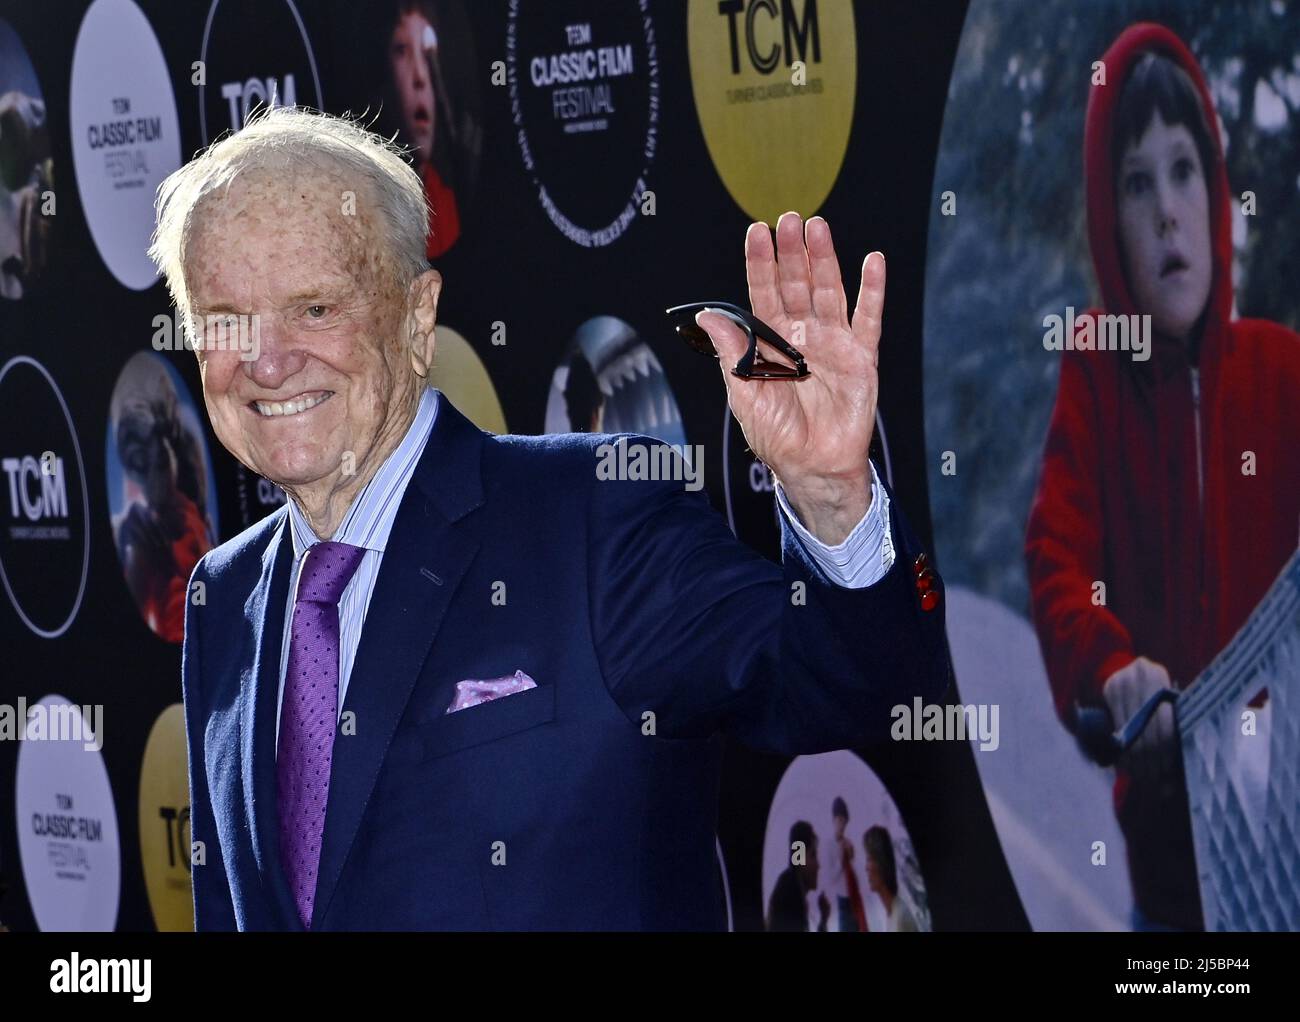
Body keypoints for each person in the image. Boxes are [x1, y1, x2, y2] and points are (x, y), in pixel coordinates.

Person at [151, 105, 951, 931]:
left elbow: (853, 686)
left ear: (418, 318)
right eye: (226, 321)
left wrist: (829, 496)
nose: (270, 360)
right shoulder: (224, 594)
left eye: (315, 309)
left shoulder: (592, 517)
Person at [1025, 23, 1300, 931]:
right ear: (1110, 223)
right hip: (1174, 886)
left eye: (1185, 172)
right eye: (1136, 185)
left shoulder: (1282, 371)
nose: (1167, 213)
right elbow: (1055, 556)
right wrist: (1111, 671)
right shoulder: (1093, 376)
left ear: (1217, 195)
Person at [767, 821, 829, 932]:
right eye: (813, 855)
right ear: (799, 857)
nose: (818, 865)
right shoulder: (789, 889)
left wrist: (823, 920)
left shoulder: (791, 885)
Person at [864, 825, 917, 932]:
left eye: (870, 859)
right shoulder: (892, 914)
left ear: (882, 863)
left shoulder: (900, 917)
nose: (866, 867)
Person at [827, 796, 867, 931]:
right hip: (843, 901)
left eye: (844, 822)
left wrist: (852, 856)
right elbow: (831, 878)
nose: (842, 825)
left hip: (854, 896)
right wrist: (841, 857)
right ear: (833, 820)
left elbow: (856, 870)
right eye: (839, 820)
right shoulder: (829, 846)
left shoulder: (848, 842)